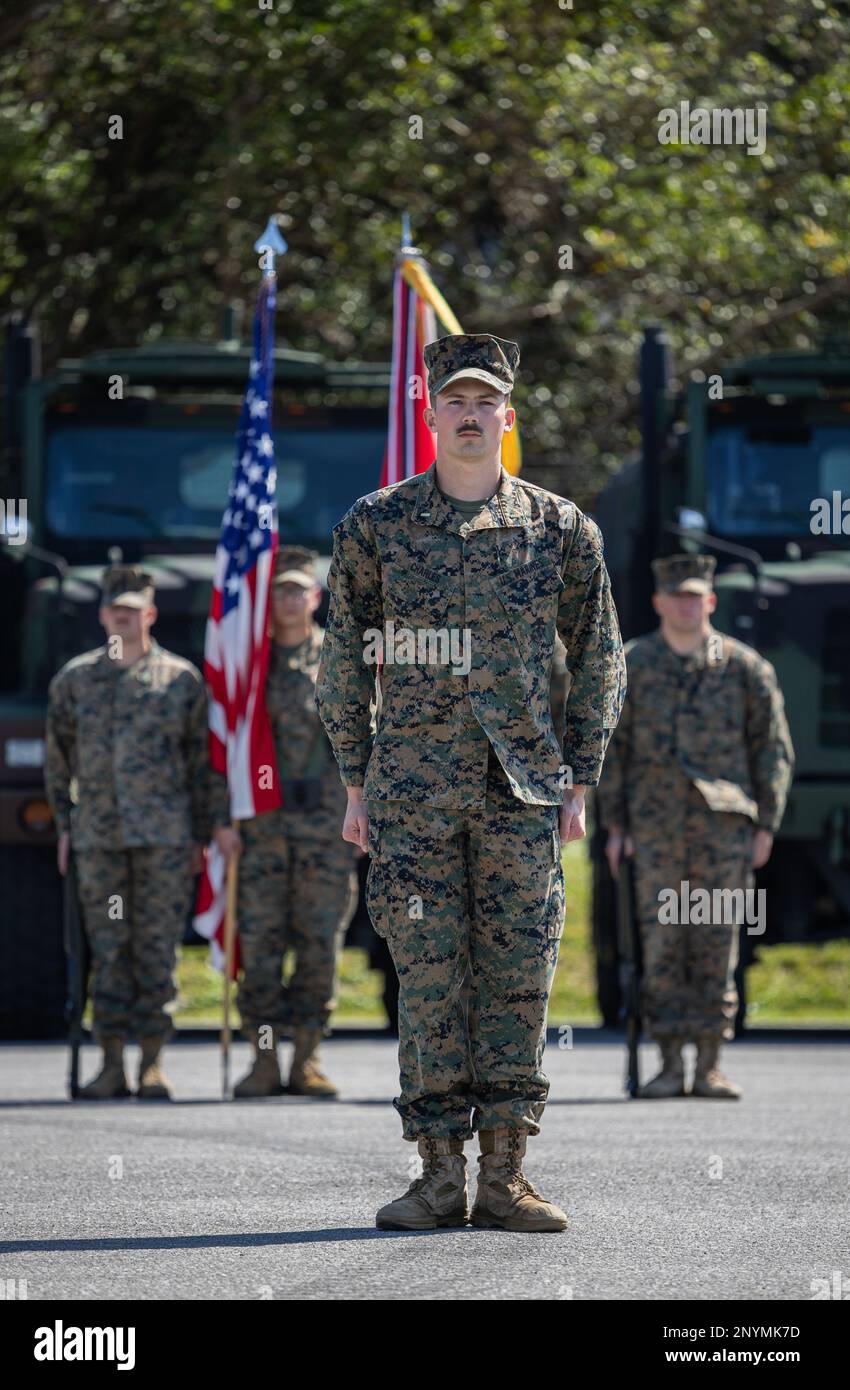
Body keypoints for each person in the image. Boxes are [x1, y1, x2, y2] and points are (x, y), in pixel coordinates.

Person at [316, 333, 625, 1232]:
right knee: (428, 978)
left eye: (485, 401)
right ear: (430, 411)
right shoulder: (375, 524)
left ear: (507, 416)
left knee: (519, 980)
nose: (469, 414)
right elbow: (341, 660)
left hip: (521, 791)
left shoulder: (559, 527)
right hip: (410, 794)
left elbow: (599, 656)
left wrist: (580, 774)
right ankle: (437, 1176)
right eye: (454, 399)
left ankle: (506, 1176)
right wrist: (355, 780)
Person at [598, 554, 794, 1100]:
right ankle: (667, 1062)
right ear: (659, 602)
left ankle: (708, 1062)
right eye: (676, 596)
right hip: (654, 830)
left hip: (723, 830)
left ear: (709, 601)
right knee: (662, 945)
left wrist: (766, 823)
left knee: (715, 942)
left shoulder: (744, 667)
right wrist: (615, 825)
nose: (686, 604)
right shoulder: (632, 664)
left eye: (695, 596)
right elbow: (612, 751)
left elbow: (772, 749)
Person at [45, 565, 211, 1100]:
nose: (123, 616)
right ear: (102, 614)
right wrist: (65, 826)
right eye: (115, 608)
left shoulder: (181, 680)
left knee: (157, 948)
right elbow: (57, 761)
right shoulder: (74, 680)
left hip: (164, 840)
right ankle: (112, 1061)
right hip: (99, 838)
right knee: (111, 948)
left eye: (133, 609)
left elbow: (200, 763)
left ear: (150, 614)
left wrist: (200, 834)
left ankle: (154, 1064)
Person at [213, 547, 357, 1099]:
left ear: (317, 598)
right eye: (281, 591)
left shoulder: (340, 662)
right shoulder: (247, 670)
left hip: (324, 830)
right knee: (264, 947)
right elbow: (223, 749)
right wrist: (221, 820)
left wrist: (368, 816)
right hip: (263, 831)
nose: (291, 599)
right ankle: (264, 1060)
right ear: (267, 601)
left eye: (300, 590)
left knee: (319, 945)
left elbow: (367, 743)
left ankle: (308, 1060)